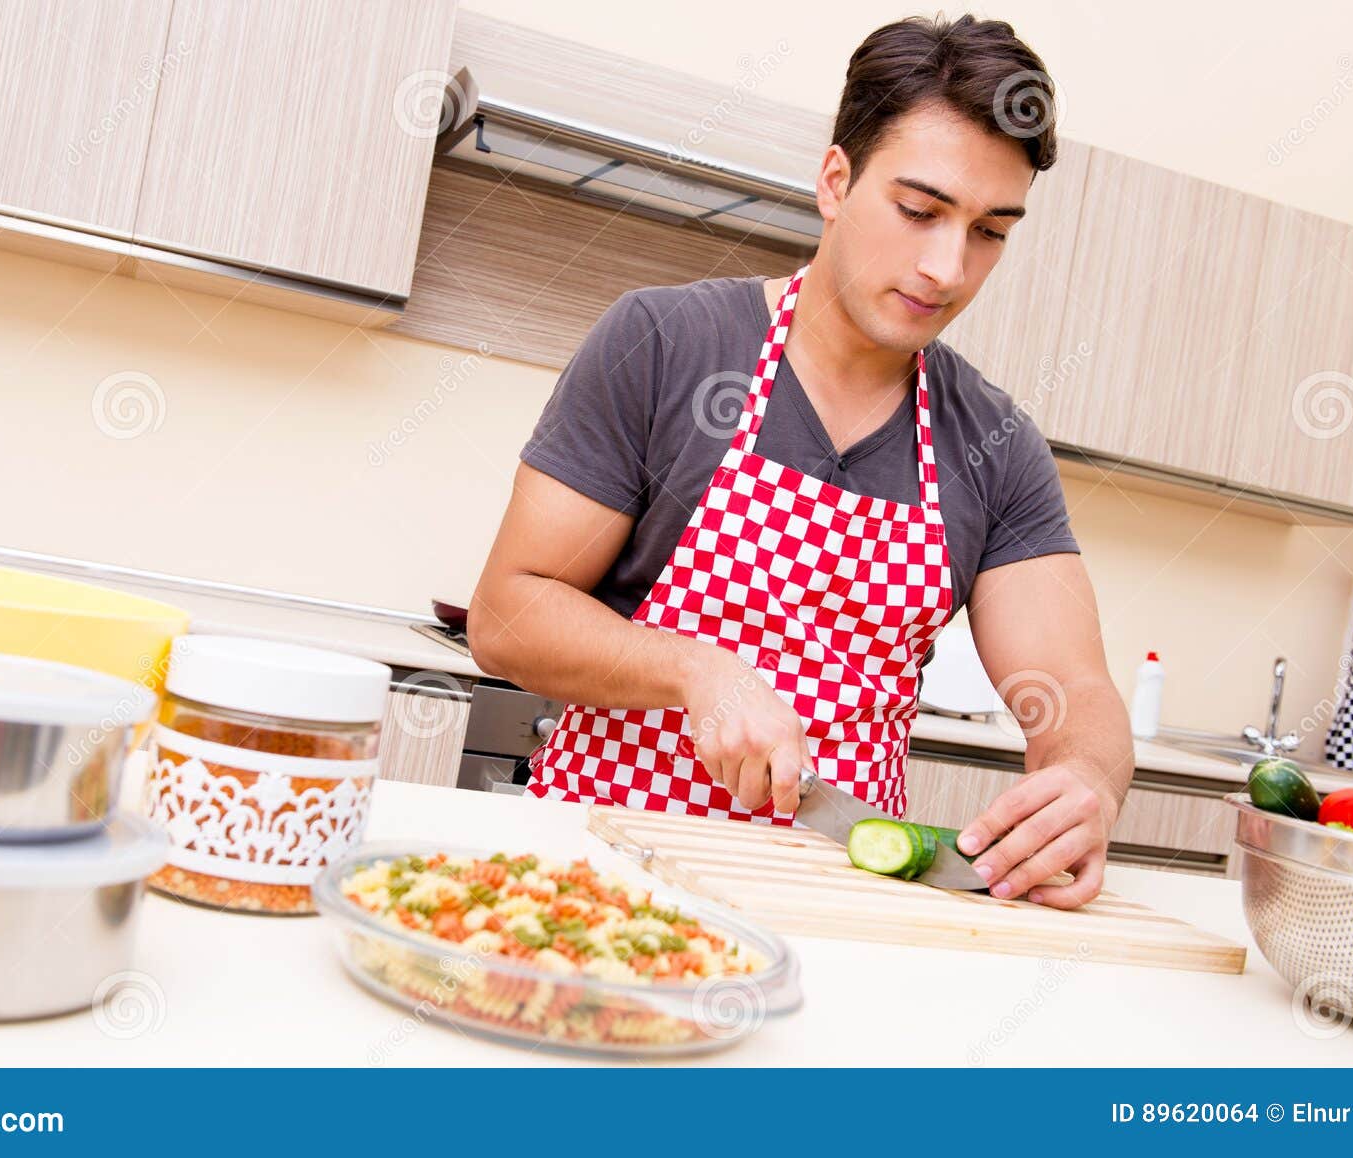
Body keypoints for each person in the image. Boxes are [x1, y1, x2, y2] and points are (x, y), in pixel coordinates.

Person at [468, 14, 1133, 910]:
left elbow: (1075, 688)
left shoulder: (994, 443)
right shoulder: (666, 345)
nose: (947, 267)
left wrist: (1087, 779)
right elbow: (507, 616)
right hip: (598, 877)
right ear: (834, 182)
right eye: (919, 211)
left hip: (837, 908)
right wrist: (697, 669)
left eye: (990, 232)